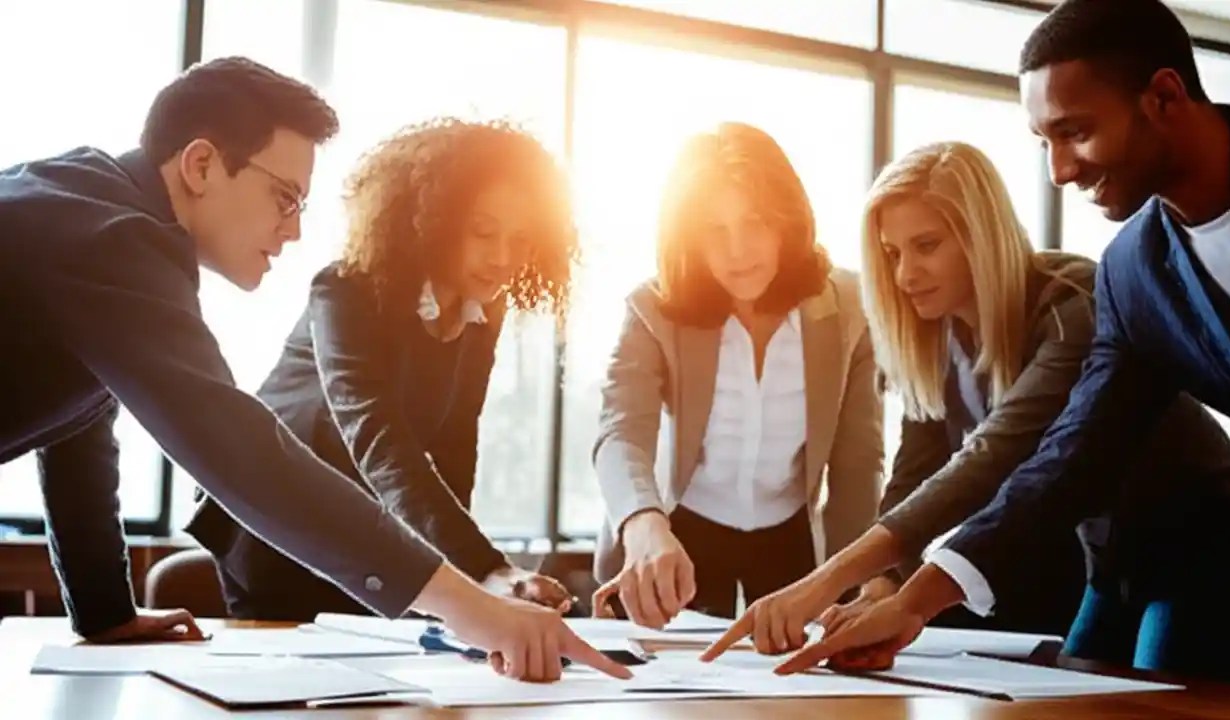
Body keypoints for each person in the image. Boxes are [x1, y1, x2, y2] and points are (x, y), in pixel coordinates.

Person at [0, 56, 628, 682]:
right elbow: (243, 450)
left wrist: (105, 613)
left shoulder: (88, 204)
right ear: (200, 166)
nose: (295, 230)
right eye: (285, 197)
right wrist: (477, 611)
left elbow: (78, 433)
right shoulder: (114, 240)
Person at [771, 0, 1230, 684]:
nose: (1060, 171)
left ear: (1163, 96)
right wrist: (906, 598)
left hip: (1208, 544)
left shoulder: (1070, 297)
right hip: (1117, 557)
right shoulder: (1132, 274)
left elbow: (996, 455)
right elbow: (1067, 459)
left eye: (1075, 133)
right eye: (1044, 141)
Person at [189, 119, 579, 620]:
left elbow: (456, 445)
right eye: (483, 232)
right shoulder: (346, 289)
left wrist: (471, 571)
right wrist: (485, 569)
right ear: (435, 221)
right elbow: (377, 436)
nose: (504, 258)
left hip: (368, 526)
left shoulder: (483, 311)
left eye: (522, 239)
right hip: (275, 527)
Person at [590, 122, 884, 628]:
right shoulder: (651, 308)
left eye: (755, 223)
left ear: (786, 222)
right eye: (715, 230)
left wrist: (854, 584)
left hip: (791, 535)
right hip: (678, 530)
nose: (737, 250)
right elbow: (621, 433)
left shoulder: (851, 309)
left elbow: (858, 464)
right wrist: (643, 524)